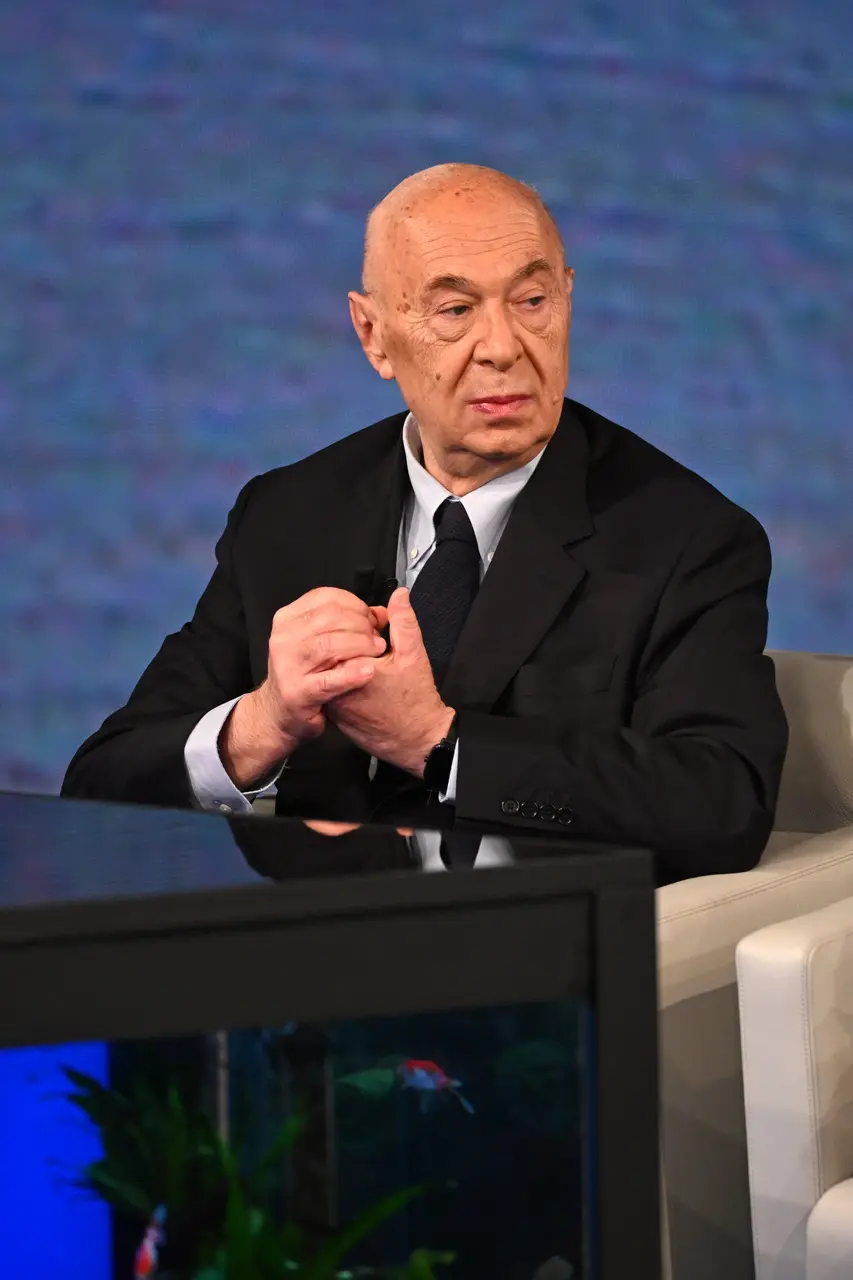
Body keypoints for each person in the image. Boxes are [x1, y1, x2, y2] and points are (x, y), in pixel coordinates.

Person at [62, 163, 788, 882]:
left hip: (529, 937)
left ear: (567, 300)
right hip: (306, 936)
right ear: (374, 335)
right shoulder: (286, 515)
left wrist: (439, 743)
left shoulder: (686, 538)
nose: (502, 346)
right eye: (455, 310)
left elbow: (719, 806)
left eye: (531, 300)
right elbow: (100, 783)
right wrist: (263, 723)